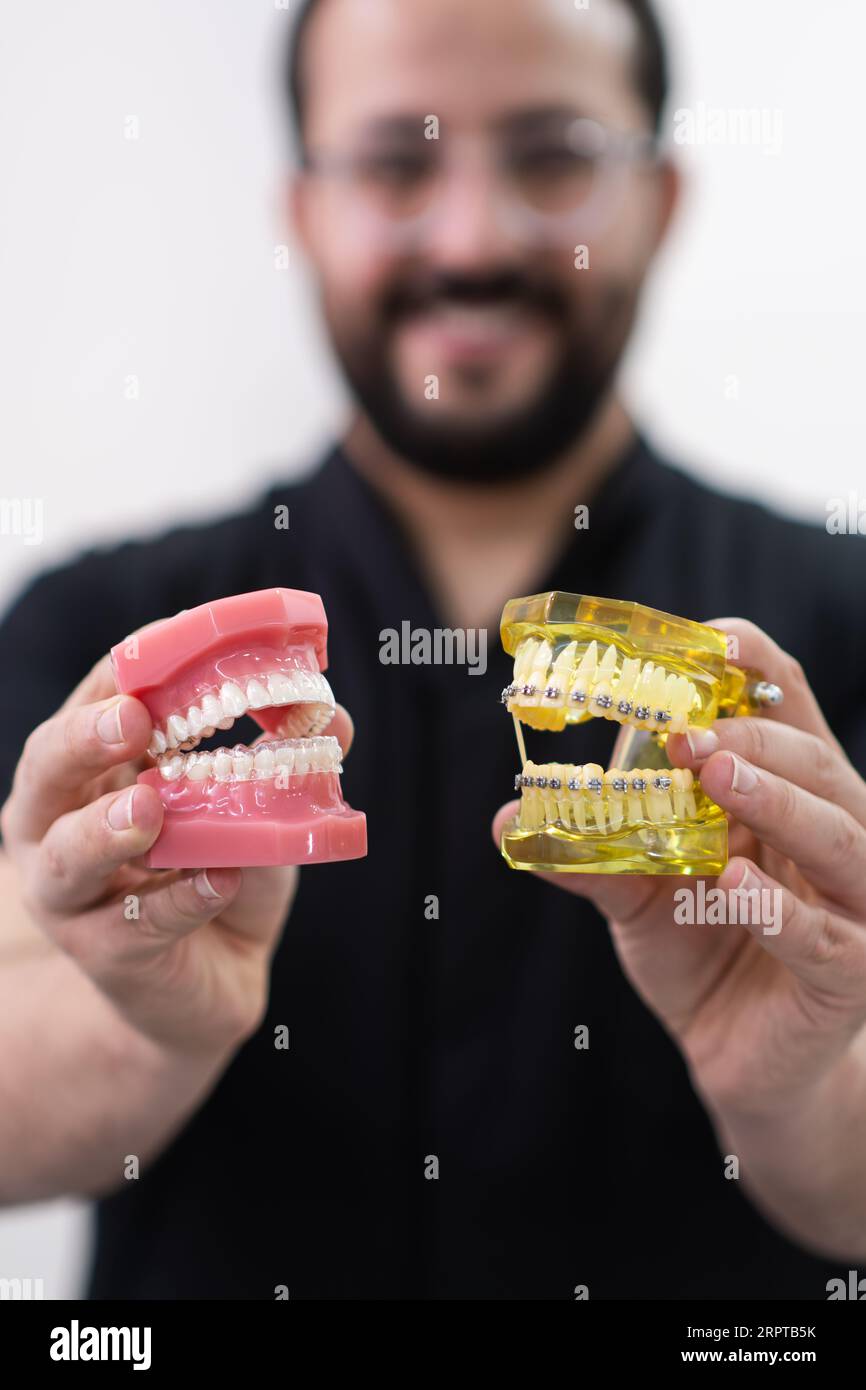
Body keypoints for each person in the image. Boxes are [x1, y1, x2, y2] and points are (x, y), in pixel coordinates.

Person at [1, 0, 865, 1301]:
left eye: (553, 153)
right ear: (301, 211)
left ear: (661, 200)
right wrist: (140, 1033)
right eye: (397, 163)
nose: (471, 237)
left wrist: (797, 1093)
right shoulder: (87, 631)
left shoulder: (847, 618)